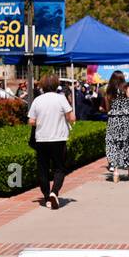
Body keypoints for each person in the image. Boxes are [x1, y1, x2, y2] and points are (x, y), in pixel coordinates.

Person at [26, 73, 74, 209]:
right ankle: (54, 192)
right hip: (58, 138)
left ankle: (47, 197)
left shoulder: (38, 100)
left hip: (41, 138)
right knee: (59, 168)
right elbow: (72, 117)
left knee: (43, 169)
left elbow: (31, 121)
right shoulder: (61, 98)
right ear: (56, 85)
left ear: (42, 86)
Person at [104, 70, 129, 182]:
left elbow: (108, 108)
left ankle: (115, 172)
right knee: (127, 145)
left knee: (114, 146)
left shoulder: (109, 92)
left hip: (114, 121)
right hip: (126, 121)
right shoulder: (128, 90)